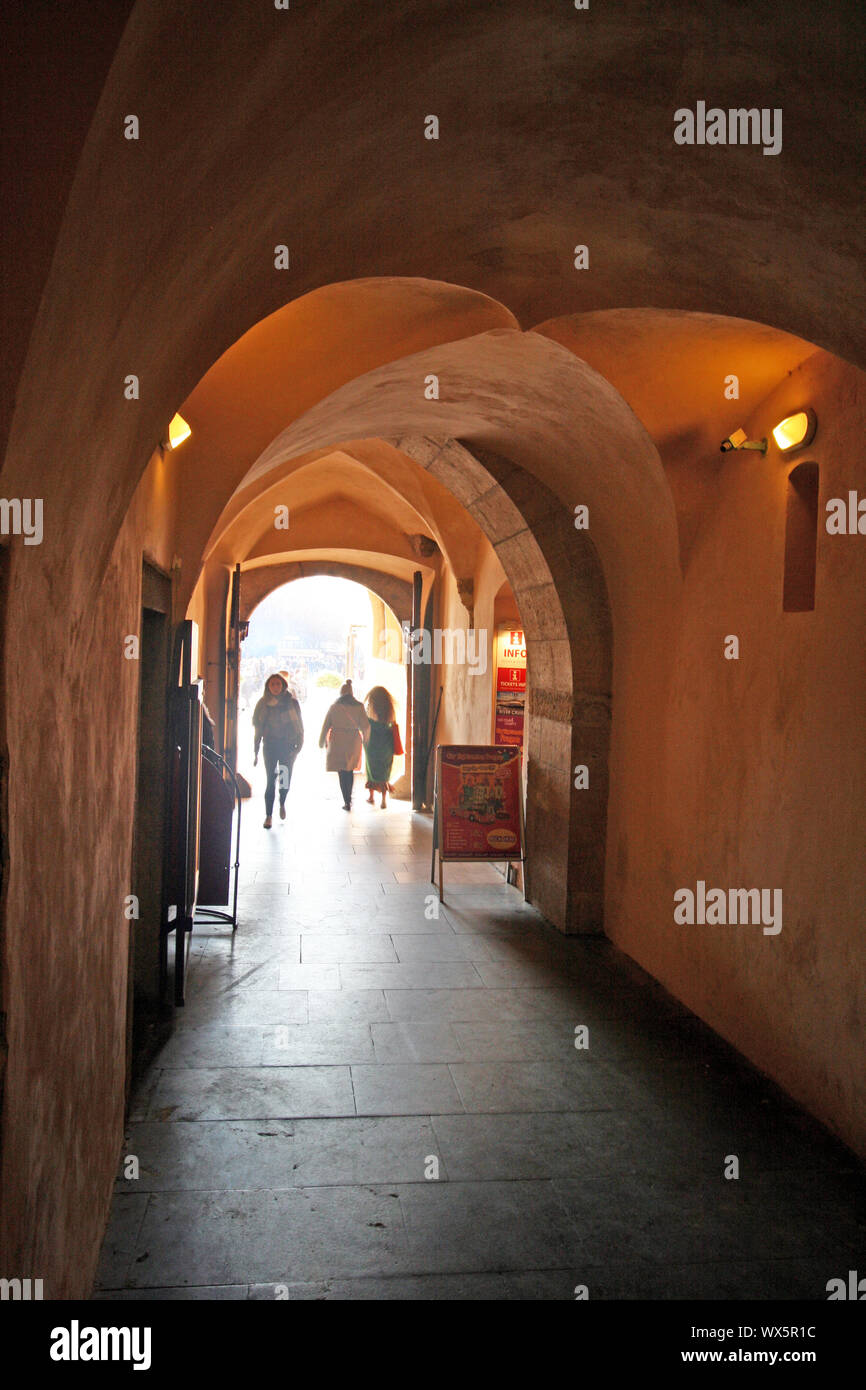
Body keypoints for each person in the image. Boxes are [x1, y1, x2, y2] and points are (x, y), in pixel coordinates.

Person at [252, 672, 304, 828]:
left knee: (285, 779)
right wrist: (255, 749)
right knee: (270, 781)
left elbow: (299, 726)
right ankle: (268, 815)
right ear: (268, 686)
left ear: (283, 686)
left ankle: (282, 802)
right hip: (270, 745)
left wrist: (299, 745)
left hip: (287, 746)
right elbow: (257, 726)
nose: (275, 687)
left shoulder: (292, 703)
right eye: (272, 684)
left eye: (278, 684)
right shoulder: (262, 703)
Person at [319, 679, 370, 810]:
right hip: (353, 740)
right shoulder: (359, 706)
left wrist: (322, 741)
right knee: (350, 769)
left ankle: (346, 800)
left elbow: (326, 725)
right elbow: (366, 726)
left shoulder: (334, 706)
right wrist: (366, 740)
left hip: (338, 740)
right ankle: (349, 798)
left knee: (341, 771)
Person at [363, 686, 403, 808]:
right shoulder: (389, 710)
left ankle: (371, 797)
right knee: (384, 772)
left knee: (371, 771)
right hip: (386, 746)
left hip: (372, 746)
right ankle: (384, 800)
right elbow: (392, 725)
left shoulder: (370, 707)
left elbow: (366, 723)